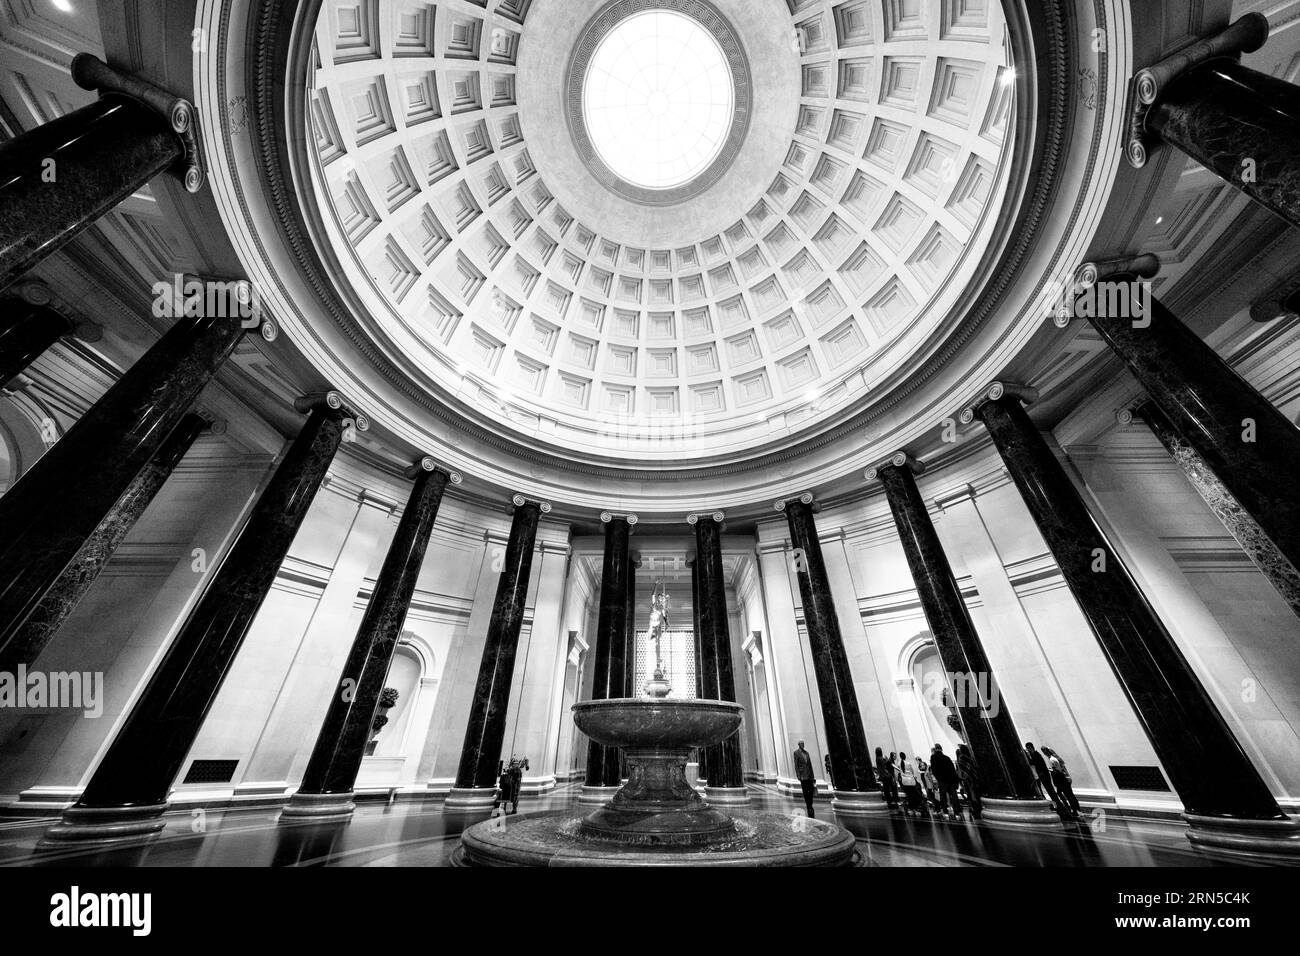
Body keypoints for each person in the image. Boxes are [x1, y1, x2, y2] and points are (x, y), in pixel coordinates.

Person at [1043, 746, 1081, 818]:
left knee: (1068, 795)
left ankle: (1074, 810)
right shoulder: (1057, 759)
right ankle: (1075, 809)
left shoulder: (1052, 760)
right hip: (1065, 778)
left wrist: (1050, 770)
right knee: (1069, 794)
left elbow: (1058, 771)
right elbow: (1062, 769)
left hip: (1062, 779)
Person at [1024, 741, 1062, 811]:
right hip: (1043, 775)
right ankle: (1057, 804)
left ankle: (1059, 805)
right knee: (1050, 790)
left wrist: (1026, 755)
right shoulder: (1034, 755)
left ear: (1031, 748)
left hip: (1044, 775)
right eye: (1027, 749)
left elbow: (1034, 763)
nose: (1028, 750)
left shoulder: (1036, 754)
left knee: (1050, 790)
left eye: (1028, 748)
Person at [929, 744, 961, 819]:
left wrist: (938, 779)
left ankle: (945, 812)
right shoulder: (947, 758)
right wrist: (955, 781)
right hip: (951, 780)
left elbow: (934, 770)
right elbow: (953, 770)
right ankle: (957, 813)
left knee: (943, 796)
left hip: (942, 780)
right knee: (954, 796)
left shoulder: (933, 757)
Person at [955, 744, 982, 819]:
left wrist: (963, 777)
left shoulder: (962, 758)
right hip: (973, 778)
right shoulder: (970, 757)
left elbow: (963, 771)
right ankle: (978, 808)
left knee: (971, 794)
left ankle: (975, 809)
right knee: (975, 794)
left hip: (967, 780)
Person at [793, 741, 817, 818]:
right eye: (801, 744)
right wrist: (798, 775)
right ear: (799, 745)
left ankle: (810, 803)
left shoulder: (807, 753)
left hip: (809, 775)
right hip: (803, 776)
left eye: (803, 744)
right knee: (805, 790)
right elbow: (796, 765)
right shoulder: (796, 753)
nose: (803, 745)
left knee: (811, 789)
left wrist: (813, 776)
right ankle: (808, 804)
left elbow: (810, 765)